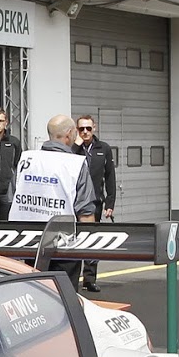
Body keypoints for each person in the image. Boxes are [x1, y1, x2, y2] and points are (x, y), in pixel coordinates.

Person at [10, 114, 95, 289]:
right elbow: (85, 212)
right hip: (64, 245)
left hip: (27, 244)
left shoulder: (26, 159)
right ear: (70, 133)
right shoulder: (75, 163)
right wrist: (90, 253)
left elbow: (10, 199)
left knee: (31, 295)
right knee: (64, 298)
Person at [73, 115, 117, 292]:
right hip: (75, 202)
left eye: (88, 129)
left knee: (92, 240)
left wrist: (110, 203)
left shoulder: (103, 148)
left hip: (96, 201)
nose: (85, 132)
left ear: (94, 128)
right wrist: (75, 145)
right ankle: (73, 278)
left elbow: (110, 176)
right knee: (74, 239)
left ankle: (89, 279)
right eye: (81, 129)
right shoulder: (73, 149)